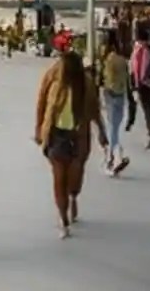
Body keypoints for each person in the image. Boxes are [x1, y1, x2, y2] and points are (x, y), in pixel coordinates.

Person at [35, 50, 107, 238]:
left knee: (74, 179)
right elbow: (41, 103)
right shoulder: (53, 80)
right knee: (59, 179)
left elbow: (95, 110)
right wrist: (39, 129)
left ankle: (73, 196)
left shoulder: (86, 85)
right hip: (56, 136)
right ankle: (63, 218)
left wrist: (101, 132)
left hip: (78, 137)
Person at [100, 29, 132, 176]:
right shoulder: (122, 60)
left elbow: (104, 78)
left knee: (112, 127)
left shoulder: (107, 59)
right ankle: (114, 155)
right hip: (121, 95)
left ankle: (114, 157)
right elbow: (127, 80)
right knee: (115, 127)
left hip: (110, 94)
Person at [128, 23, 150, 149]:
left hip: (143, 84)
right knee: (148, 108)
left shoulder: (141, 50)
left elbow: (138, 70)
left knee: (147, 109)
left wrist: (136, 85)